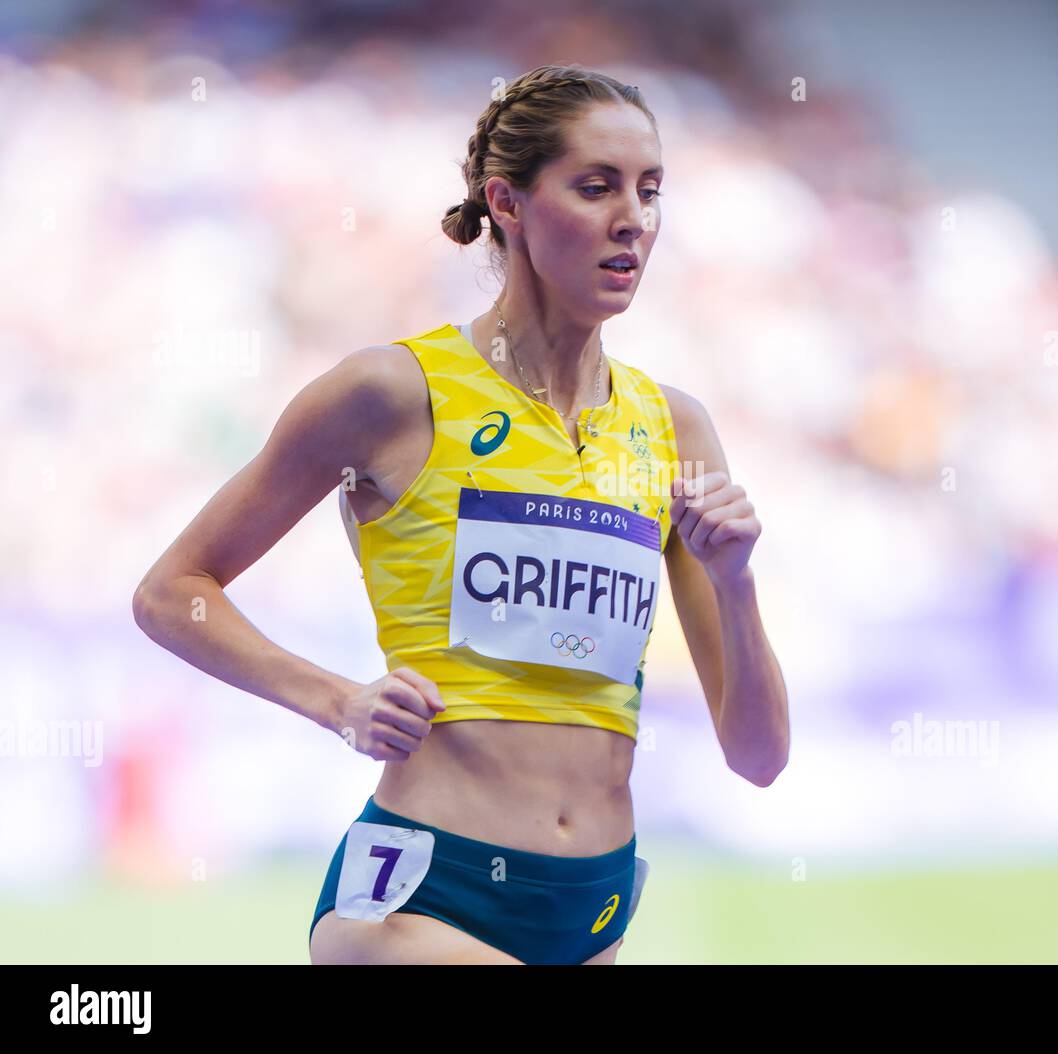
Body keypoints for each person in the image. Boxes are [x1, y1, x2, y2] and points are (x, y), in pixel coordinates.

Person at [133, 64, 789, 965]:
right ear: (507, 204)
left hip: (593, 908)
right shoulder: (390, 392)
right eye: (595, 187)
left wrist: (736, 580)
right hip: (422, 896)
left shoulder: (673, 426)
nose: (632, 217)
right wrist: (338, 701)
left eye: (650, 190)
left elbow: (759, 757)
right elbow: (173, 592)